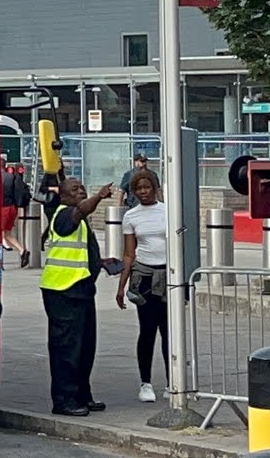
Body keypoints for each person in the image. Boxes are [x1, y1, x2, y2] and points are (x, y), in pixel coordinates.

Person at [41, 175, 120, 417]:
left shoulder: (80, 220)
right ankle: (64, 399)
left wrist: (101, 262)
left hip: (81, 288)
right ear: (63, 196)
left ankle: (81, 395)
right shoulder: (65, 213)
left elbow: (79, 251)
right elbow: (81, 211)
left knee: (85, 348)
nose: (81, 192)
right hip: (62, 290)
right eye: (75, 190)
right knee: (67, 349)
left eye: (83, 189)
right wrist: (99, 196)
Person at [116, 169, 169, 403]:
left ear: (155, 188)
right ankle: (145, 383)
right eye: (139, 189)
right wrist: (121, 286)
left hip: (168, 275)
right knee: (147, 331)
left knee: (170, 332)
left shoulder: (169, 211)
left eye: (147, 187)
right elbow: (129, 253)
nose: (144, 192)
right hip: (144, 276)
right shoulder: (131, 216)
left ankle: (172, 382)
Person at [0, 155, 29, 266]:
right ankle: (22, 251)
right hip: (12, 208)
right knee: (7, 234)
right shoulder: (12, 177)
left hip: (3, 208)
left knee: (0, 234)